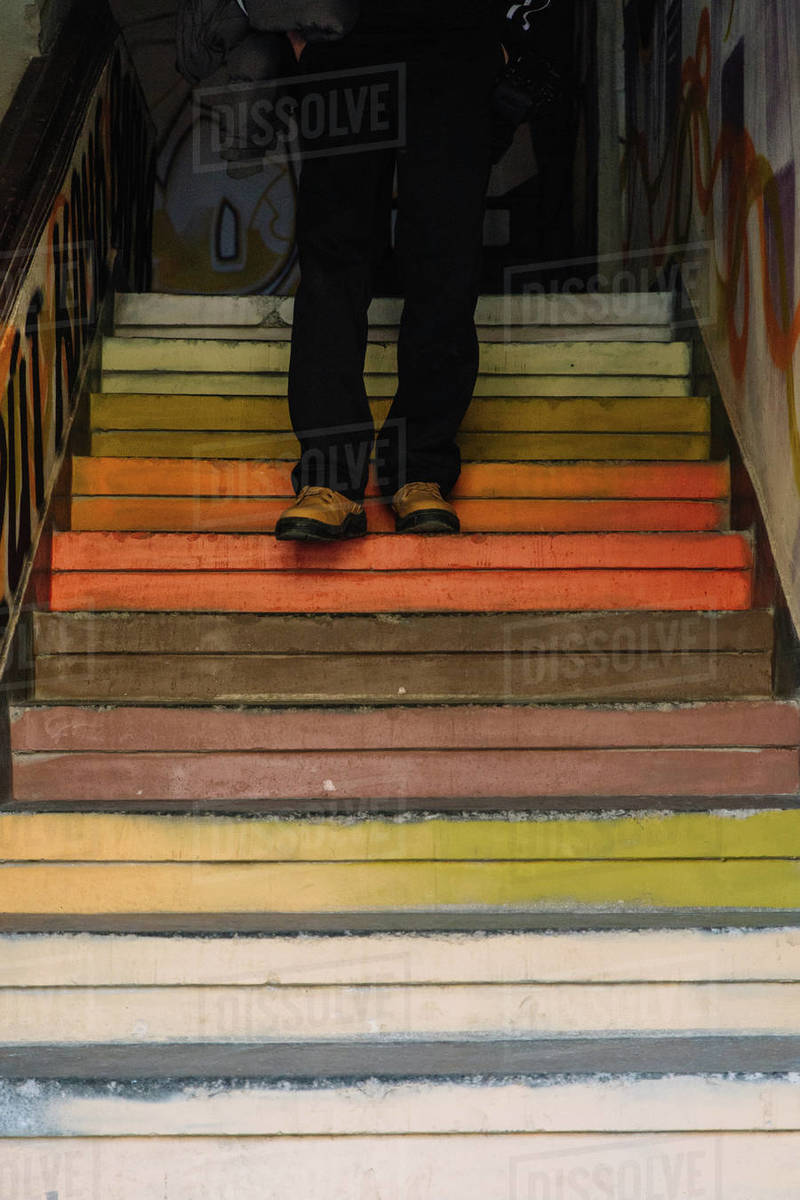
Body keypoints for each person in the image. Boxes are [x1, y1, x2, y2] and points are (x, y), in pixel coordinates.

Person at [275, 1, 547, 541]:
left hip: (457, 42)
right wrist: (290, 25)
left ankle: (421, 466)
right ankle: (329, 476)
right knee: (332, 255)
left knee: (445, 254)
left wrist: (514, 40)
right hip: (344, 35)